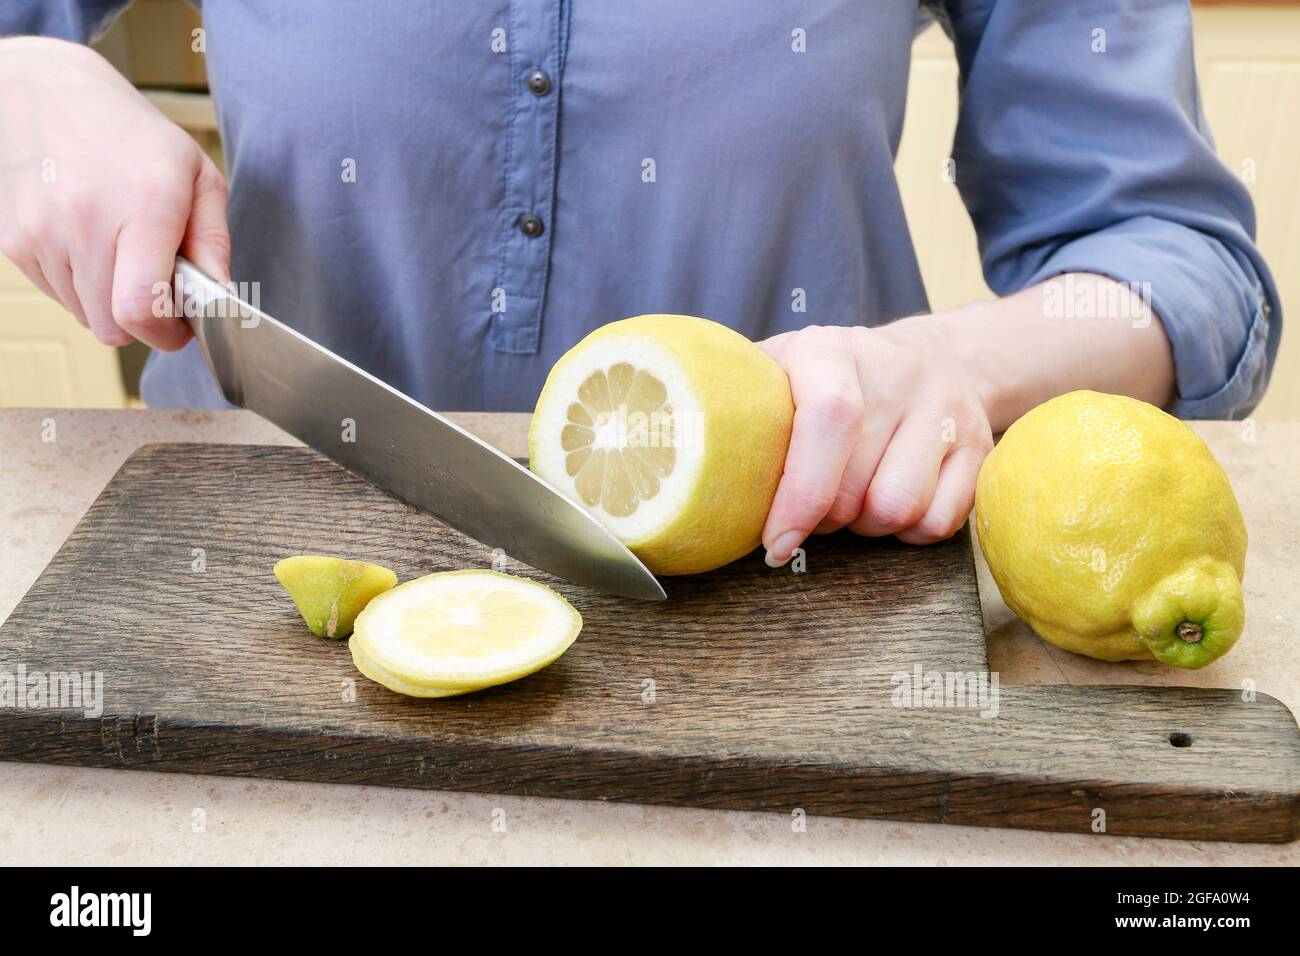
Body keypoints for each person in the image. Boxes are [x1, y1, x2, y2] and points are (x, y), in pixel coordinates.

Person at [0, 2, 1280, 569]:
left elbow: (1177, 261)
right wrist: (17, 84)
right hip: (237, 557)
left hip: (788, 597)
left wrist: (958, 366)